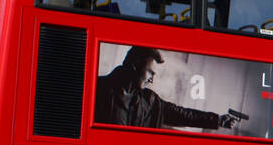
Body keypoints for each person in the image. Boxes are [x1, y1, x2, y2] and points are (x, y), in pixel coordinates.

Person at [95, 46, 240, 131]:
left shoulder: (149, 101)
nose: (152, 79)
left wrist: (216, 120)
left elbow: (181, 114)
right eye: (150, 72)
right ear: (135, 65)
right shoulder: (99, 88)